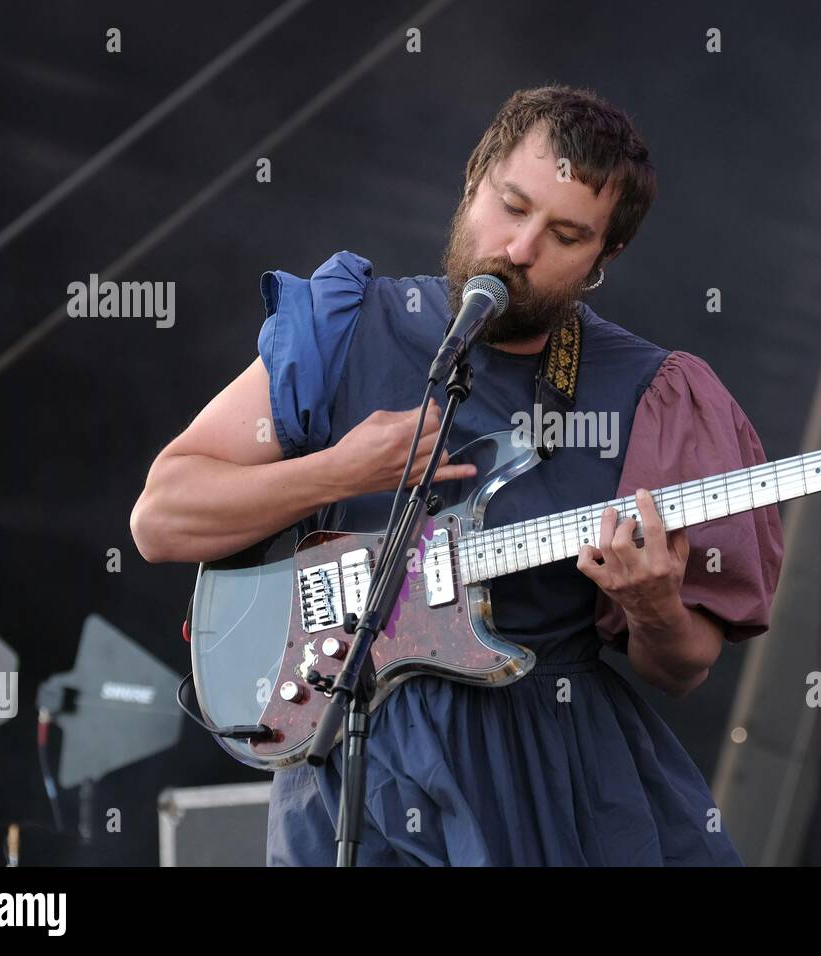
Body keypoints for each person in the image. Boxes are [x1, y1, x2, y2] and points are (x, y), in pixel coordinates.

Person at [131, 84, 783, 866]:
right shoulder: (349, 325)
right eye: (511, 205)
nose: (519, 248)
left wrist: (651, 605)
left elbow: (684, 667)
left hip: (543, 778)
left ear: (603, 258)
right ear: (474, 178)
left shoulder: (653, 395)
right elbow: (162, 518)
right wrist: (336, 470)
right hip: (347, 772)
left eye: (565, 234)